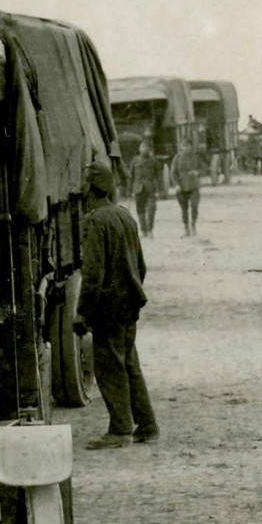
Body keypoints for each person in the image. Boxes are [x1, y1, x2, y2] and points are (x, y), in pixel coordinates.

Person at [77, 158, 157, 449]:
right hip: (128, 304)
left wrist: (82, 313)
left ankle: (120, 430)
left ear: (91, 187)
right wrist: (131, 293)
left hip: (107, 307)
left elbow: (93, 274)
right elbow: (141, 266)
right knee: (130, 364)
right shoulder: (125, 216)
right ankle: (147, 425)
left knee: (110, 367)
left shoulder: (95, 221)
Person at [128, 142, 161, 235]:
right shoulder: (135, 161)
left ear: (149, 149)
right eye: (142, 147)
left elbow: (159, 175)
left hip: (151, 189)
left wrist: (158, 189)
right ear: (139, 149)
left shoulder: (154, 160)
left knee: (152, 209)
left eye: (146, 147)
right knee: (140, 209)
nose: (144, 149)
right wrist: (129, 191)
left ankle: (150, 229)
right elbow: (131, 176)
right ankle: (144, 230)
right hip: (138, 188)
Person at [173, 140, 202, 236]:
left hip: (194, 185)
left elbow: (203, 168)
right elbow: (173, 173)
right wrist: (176, 185)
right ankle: (186, 228)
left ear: (191, 147)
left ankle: (193, 225)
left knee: (194, 206)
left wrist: (198, 173)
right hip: (182, 186)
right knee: (184, 208)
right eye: (183, 146)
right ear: (180, 147)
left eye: (188, 146)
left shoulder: (196, 157)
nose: (186, 148)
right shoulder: (177, 158)